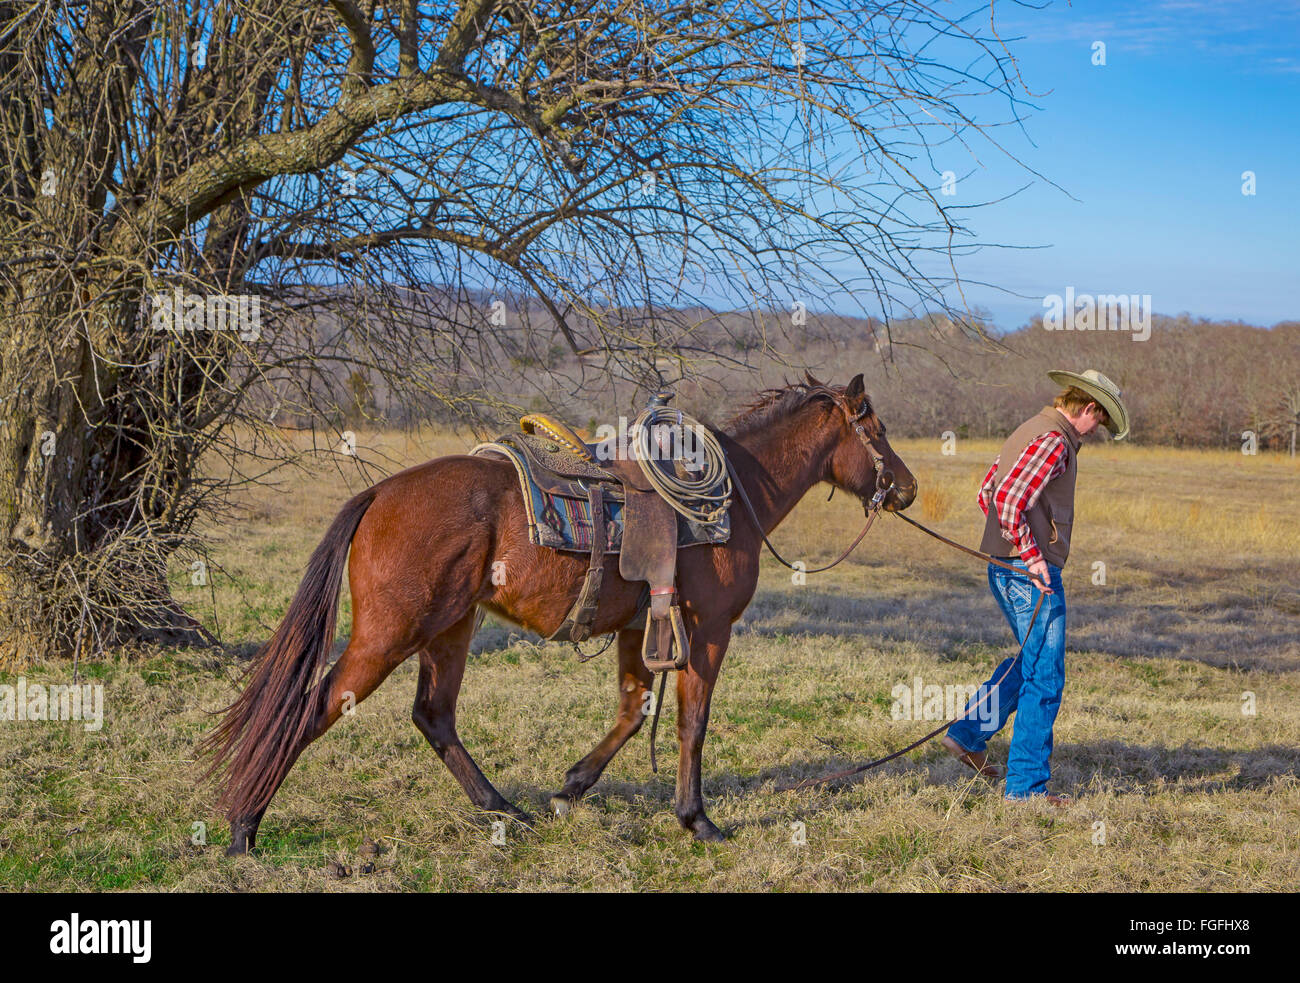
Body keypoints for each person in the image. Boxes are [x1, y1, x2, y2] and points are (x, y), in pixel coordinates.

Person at [942, 369, 1131, 805]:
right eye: (1099, 421)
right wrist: (1032, 558)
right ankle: (1025, 789)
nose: (1096, 431)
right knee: (1045, 675)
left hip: (1005, 566)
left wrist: (1009, 548)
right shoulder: (1055, 440)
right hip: (1029, 572)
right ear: (1088, 408)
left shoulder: (1029, 428)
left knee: (1031, 662)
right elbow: (1008, 500)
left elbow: (987, 492)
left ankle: (969, 733)